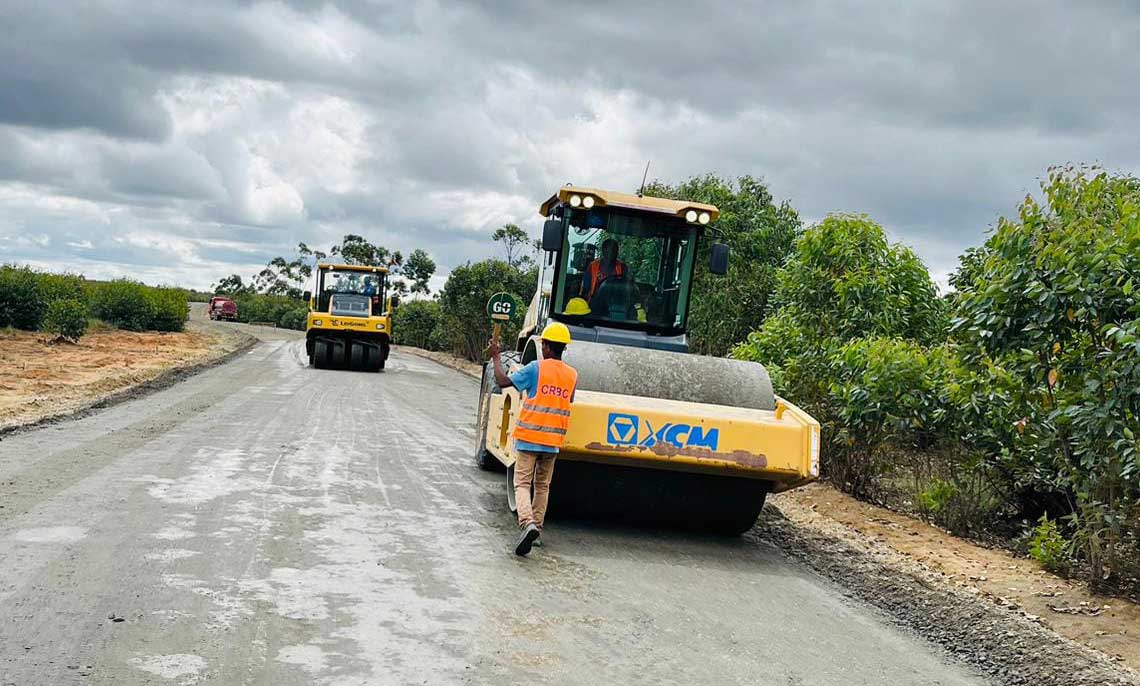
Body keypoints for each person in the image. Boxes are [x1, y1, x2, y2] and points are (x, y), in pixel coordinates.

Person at [488, 322, 578, 556]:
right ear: (563, 348)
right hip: (553, 441)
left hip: (530, 437)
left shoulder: (535, 368)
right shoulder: (572, 375)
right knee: (542, 486)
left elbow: (502, 381)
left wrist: (496, 357)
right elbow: (568, 401)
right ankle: (537, 528)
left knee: (522, 484)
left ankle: (527, 523)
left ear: (546, 346)